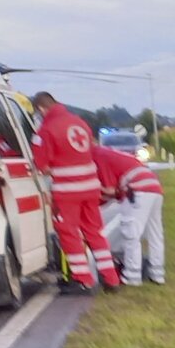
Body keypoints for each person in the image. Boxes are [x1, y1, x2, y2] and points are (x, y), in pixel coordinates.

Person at [29, 92, 119, 291]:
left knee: (69, 233)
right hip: (91, 187)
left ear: (42, 109)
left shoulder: (46, 130)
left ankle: (82, 280)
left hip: (68, 191)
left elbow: (41, 165)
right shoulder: (79, 122)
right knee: (94, 232)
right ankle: (111, 279)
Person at [92, 141, 166, 286]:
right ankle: (157, 274)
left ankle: (132, 276)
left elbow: (109, 190)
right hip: (154, 188)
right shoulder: (109, 153)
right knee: (155, 234)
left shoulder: (97, 157)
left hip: (136, 191)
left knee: (131, 233)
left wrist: (93, 204)